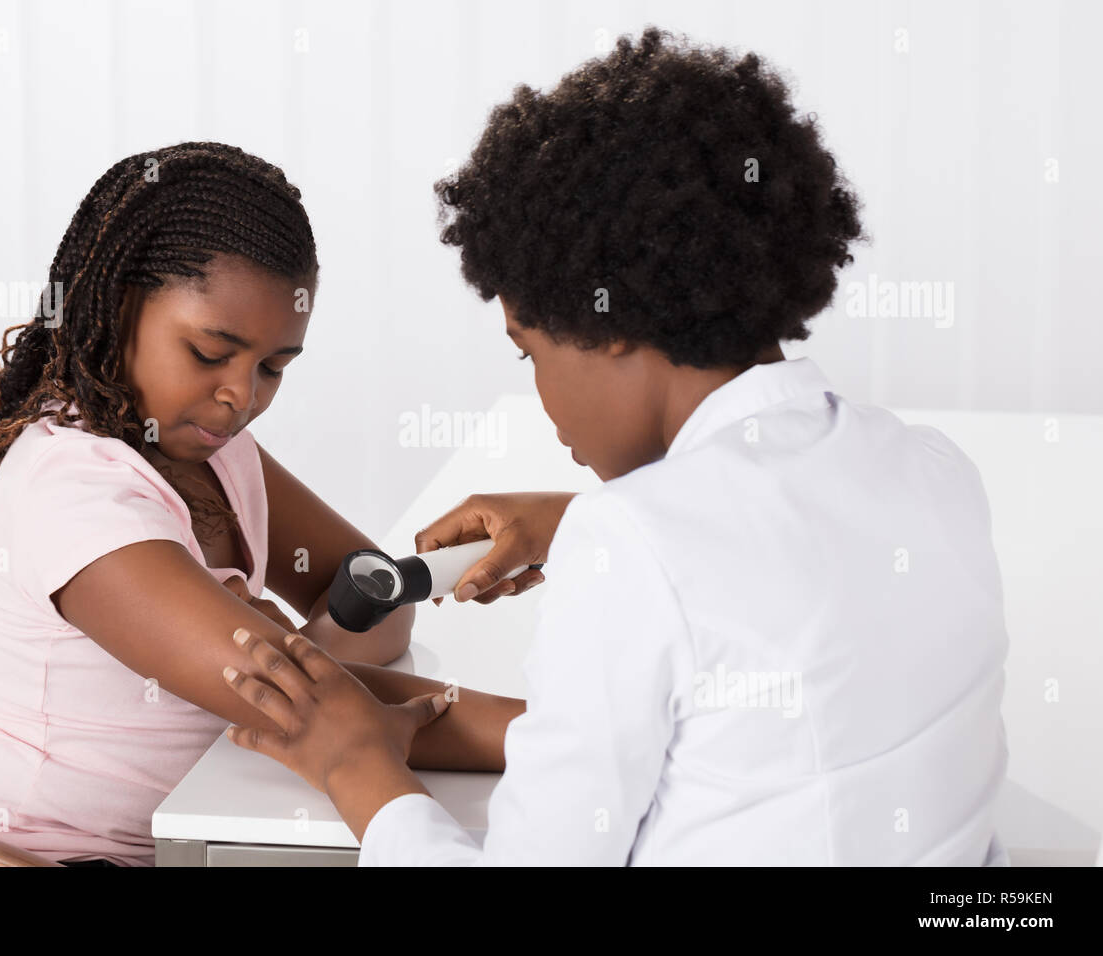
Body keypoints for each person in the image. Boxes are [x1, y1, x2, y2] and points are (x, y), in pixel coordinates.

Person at [219, 28, 1011, 865]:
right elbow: (776, 554)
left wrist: (356, 764)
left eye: (530, 352)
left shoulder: (631, 547)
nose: (540, 394)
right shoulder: (933, 470)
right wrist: (584, 518)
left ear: (608, 326)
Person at [0, 142, 525, 866]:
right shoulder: (74, 492)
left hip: (200, 834)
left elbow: (368, 591)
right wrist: (559, 735)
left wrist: (312, 664)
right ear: (117, 304)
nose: (242, 396)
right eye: (208, 353)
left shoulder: (213, 451)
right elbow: (300, 696)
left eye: (273, 367)